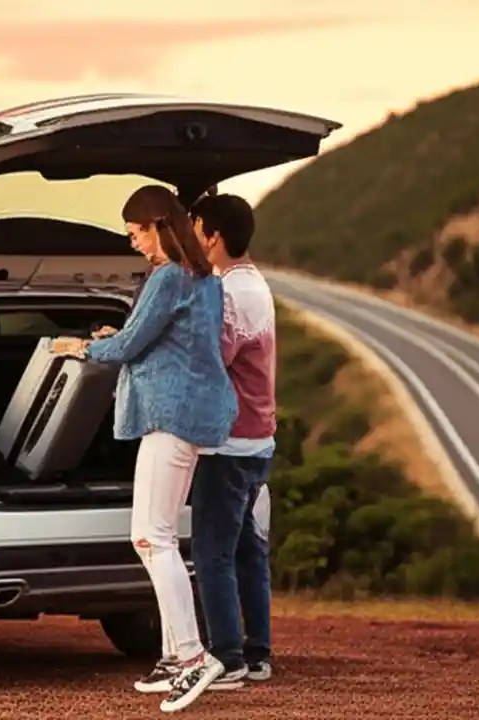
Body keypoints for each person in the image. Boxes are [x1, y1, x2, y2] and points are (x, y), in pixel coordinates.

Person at [53, 185, 235, 713]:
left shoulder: (168, 276)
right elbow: (163, 337)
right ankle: (172, 656)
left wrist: (83, 346)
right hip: (193, 414)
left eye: (135, 233)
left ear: (157, 226)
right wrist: (123, 333)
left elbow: (131, 347)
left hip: (170, 417)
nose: (134, 243)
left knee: (152, 538)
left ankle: (192, 658)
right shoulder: (204, 279)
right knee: (156, 537)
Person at [187, 192, 277, 689]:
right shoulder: (252, 285)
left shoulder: (232, 294)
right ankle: (257, 654)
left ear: (212, 236)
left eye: (195, 226)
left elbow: (211, 358)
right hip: (258, 440)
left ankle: (227, 658)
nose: (193, 236)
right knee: (247, 552)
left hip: (229, 445)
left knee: (212, 553)